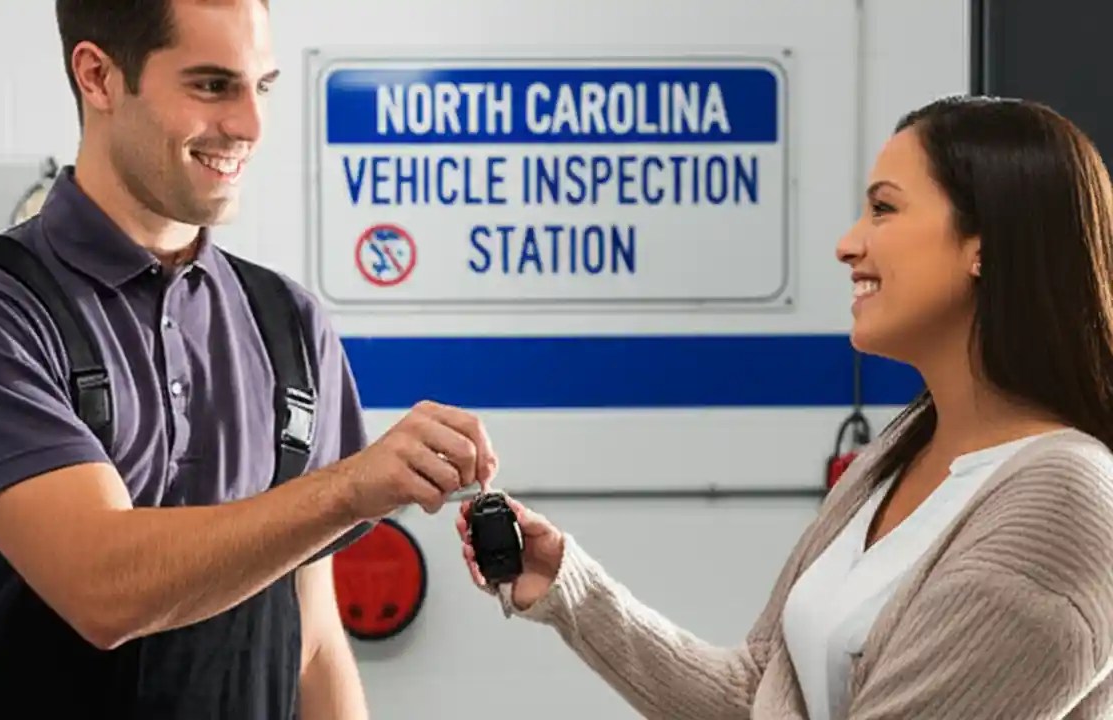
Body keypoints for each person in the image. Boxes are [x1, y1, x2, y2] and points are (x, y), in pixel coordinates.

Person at [0, 1, 497, 718]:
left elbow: (313, 640)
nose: (250, 125)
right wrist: (348, 490)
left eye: (260, 86)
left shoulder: (289, 324)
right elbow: (102, 586)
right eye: (211, 85)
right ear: (98, 77)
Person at [458, 95, 1113, 719]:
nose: (848, 244)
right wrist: (570, 586)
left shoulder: (1065, 503)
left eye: (884, 209)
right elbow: (752, 692)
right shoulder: (902, 451)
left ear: (986, 245)